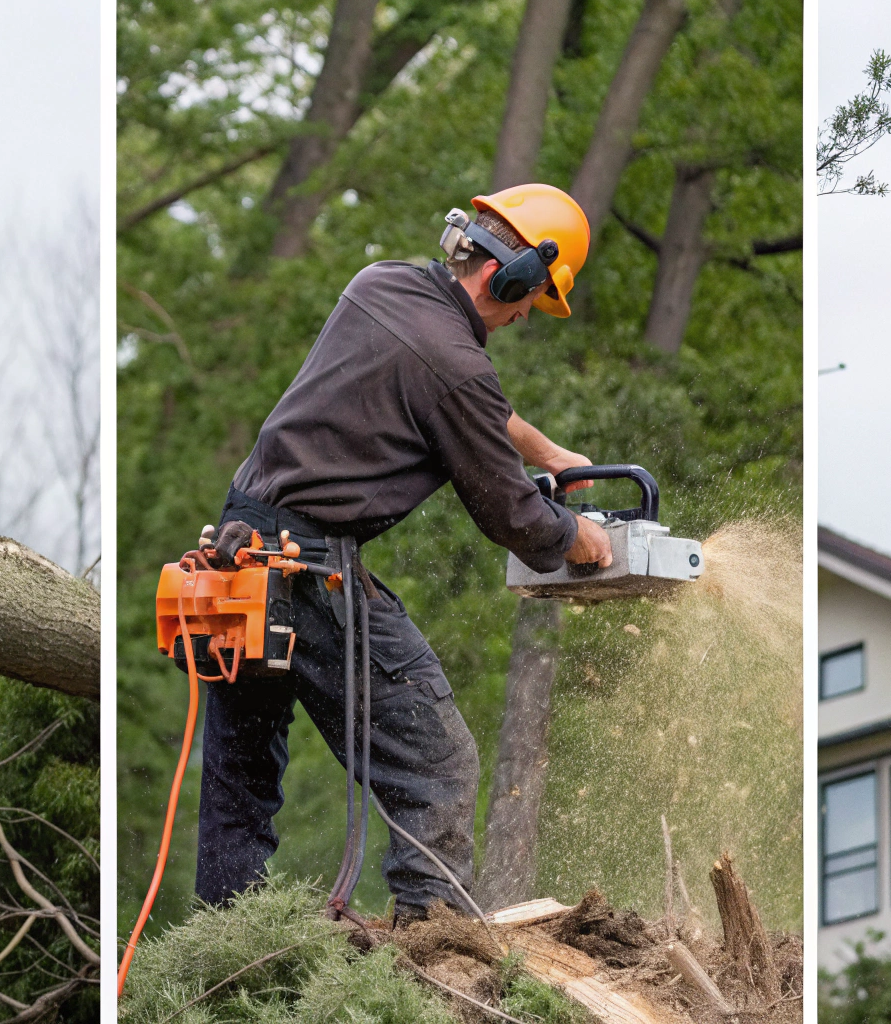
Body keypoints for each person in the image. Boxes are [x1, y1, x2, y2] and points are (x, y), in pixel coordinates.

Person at [195, 182, 612, 921]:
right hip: (309, 568)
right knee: (436, 764)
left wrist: (543, 448)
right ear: (511, 275)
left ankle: (228, 948)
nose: (521, 316)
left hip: (239, 549)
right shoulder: (457, 367)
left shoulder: (377, 285)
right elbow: (512, 515)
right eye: (529, 300)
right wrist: (581, 537)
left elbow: (454, 385)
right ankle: (435, 952)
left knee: (241, 776)